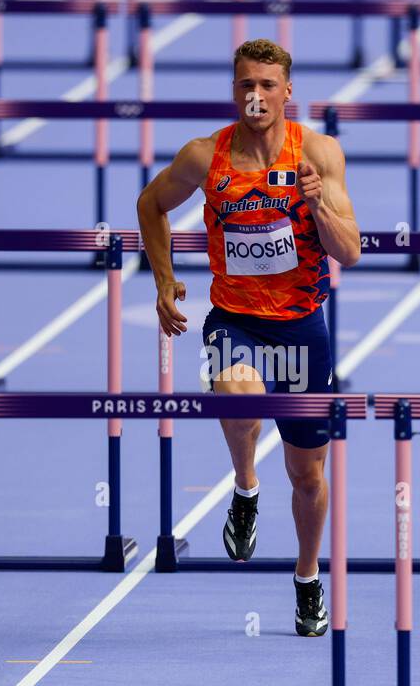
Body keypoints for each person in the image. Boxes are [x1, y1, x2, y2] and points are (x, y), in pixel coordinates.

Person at [137, 38, 361, 636]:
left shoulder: (318, 153)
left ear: (288, 91)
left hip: (302, 327)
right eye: (245, 85)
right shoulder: (204, 155)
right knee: (236, 397)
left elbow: (352, 251)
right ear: (233, 90)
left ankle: (308, 578)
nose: (255, 96)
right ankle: (244, 486)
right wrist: (164, 280)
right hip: (233, 318)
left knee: (308, 476)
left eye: (266, 85)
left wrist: (317, 207)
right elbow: (150, 204)